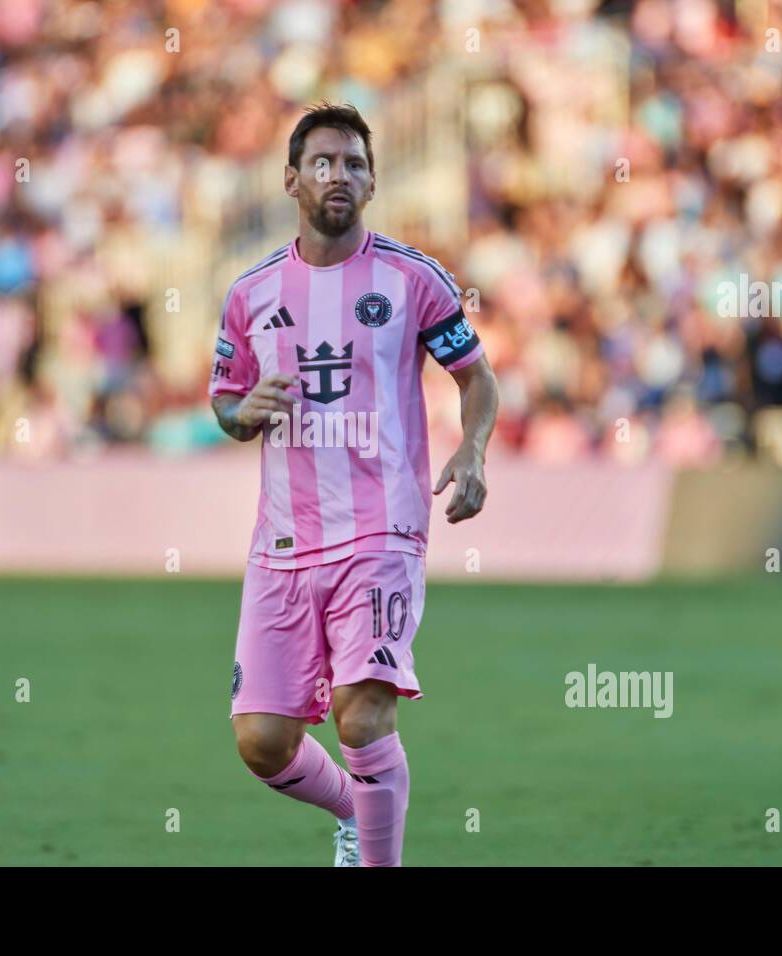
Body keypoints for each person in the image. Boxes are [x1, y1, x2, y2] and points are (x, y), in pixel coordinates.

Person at [208, 103, 499, 866]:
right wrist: (244, 412)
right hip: (282, 543)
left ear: (372, 185)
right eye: (326, 162)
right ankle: (354, 813)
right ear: (291, 180)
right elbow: (225, 401)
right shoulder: (250, 294)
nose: (342, 175)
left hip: (382, 529)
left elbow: (477, 378)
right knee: (263, 741)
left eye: (357, 165)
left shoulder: (413, 279)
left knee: (362, 716)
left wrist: (472, 451)